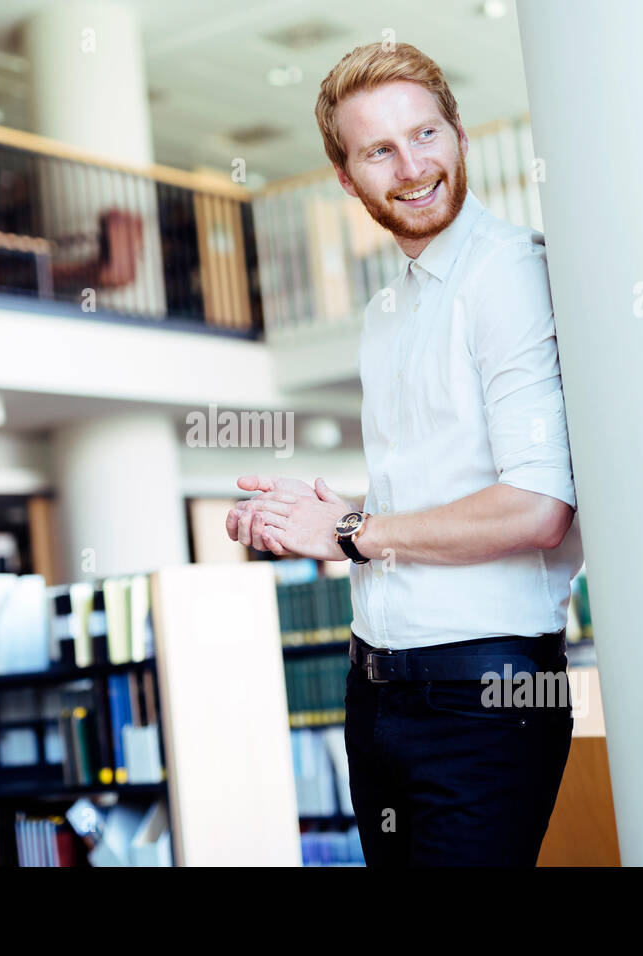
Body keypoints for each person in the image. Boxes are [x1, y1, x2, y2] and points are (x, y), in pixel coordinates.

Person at [224, 41, 584, 866]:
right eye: (379, 150)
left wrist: (350, 531)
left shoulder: (509, 276)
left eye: (426, 135)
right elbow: (433, 492)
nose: (412, 166)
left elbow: (537, 507)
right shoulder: (387, 311)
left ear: (460, 136)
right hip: (376, 691)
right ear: (346, 178)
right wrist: (312, 517)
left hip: (488, 695)